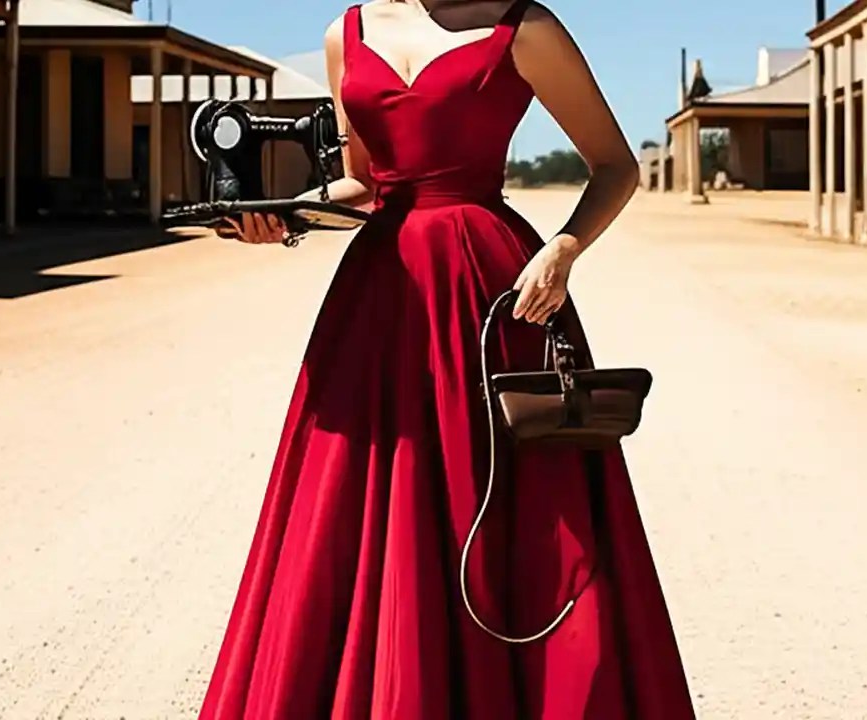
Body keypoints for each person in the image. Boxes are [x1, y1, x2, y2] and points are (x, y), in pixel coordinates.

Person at [199, 1, 695, 717]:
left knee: (506, 509)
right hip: (380, 298)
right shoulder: (349, 33)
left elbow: (615, 166)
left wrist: (563, 248)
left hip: (490, 290)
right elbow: (364, 184)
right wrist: (286, 215)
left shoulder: (524, 28)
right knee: (362, 510)